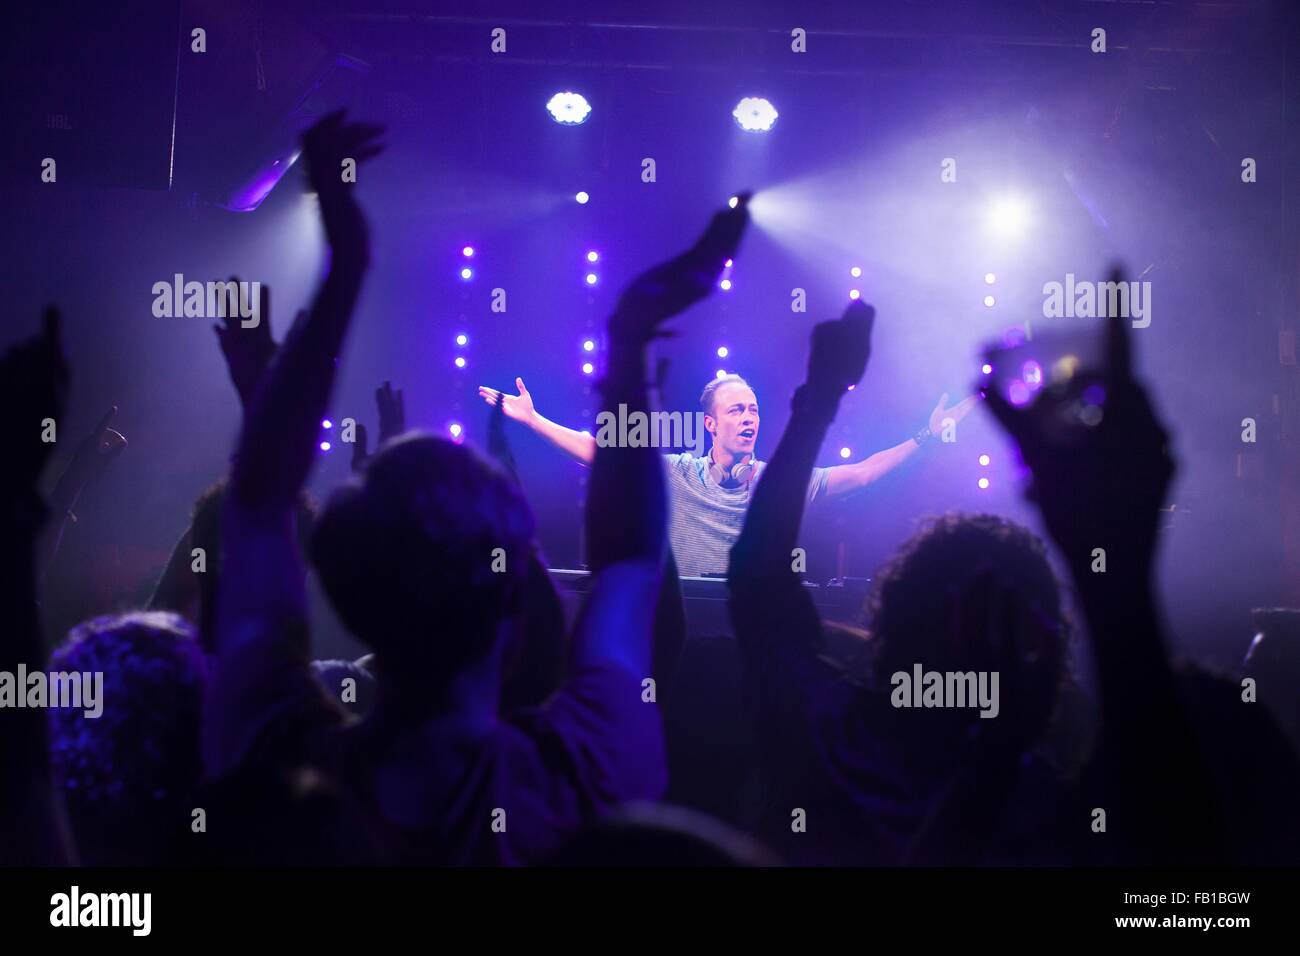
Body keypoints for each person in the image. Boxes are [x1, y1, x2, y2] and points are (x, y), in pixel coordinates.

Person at [479, 371, 975, 577]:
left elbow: (863, 474)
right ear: (712, 424)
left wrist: (928, 438)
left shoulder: (780, 482)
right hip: (686, 624)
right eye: (737, 410)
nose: (749, 418)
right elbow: (599, 453)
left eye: (753, 410)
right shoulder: (679, 473)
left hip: (747, 629)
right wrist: (534, 419)